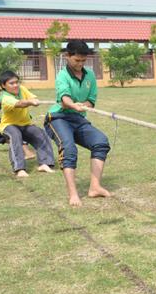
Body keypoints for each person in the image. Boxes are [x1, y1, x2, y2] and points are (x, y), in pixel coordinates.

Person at [44, 39, 114, 206]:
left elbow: (91, 101)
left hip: (77, 118)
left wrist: (82, 105)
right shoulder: (62, 76)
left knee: (101, 142)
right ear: (67, 55)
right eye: (77, 60)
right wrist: (72, 105)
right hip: (58, 118)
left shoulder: (90, 75)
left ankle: (95, 187)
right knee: (68, 148)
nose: (80, 64)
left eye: (83, 60)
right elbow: (65, 97)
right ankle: (73, 195)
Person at [0, 70, 55, 178]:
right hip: (8, 125)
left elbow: (32, 98)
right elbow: (20, 103)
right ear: (3, 85)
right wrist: (30, 102)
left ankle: (44, 164)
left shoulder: (22, 89)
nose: (15, 85)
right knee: (15, 135)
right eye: (11, 83)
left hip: (25, 125)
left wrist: (34, 100)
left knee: (42, 134)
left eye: (17, 82)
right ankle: (20, 169)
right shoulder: (6, 99)